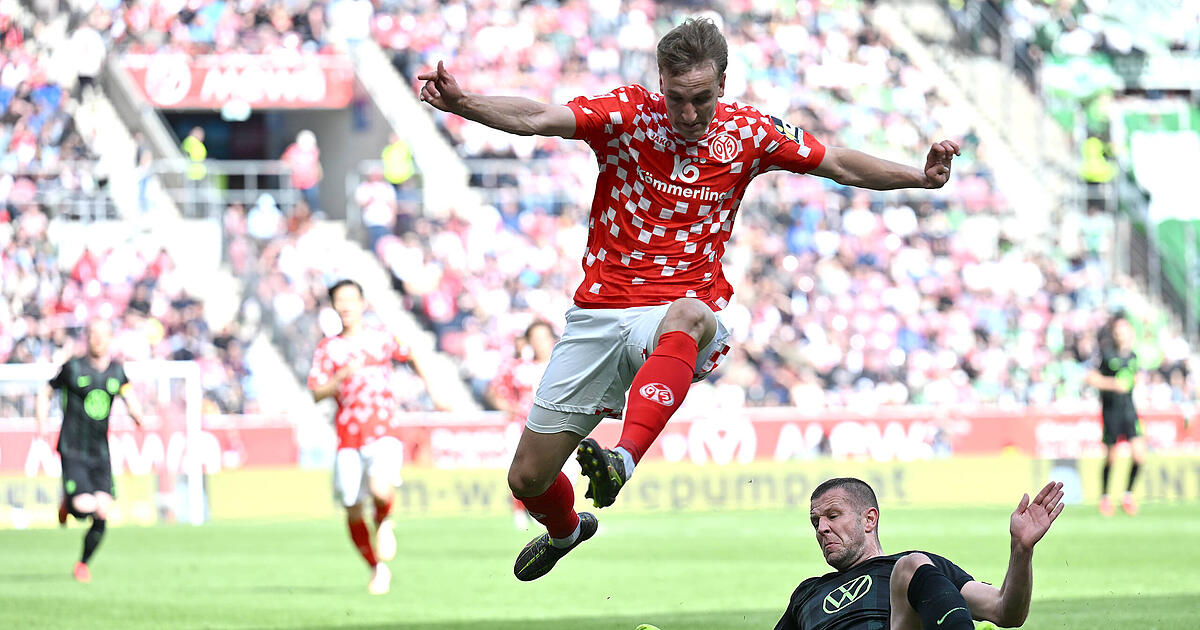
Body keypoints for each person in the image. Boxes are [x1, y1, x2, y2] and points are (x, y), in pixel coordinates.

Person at [418, 17, 961, 582]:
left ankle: (622, 459)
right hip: (599, 312)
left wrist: (919, 178)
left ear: (722, 84)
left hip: (676, 315)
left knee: (691, 312)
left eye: (701, 98)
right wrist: (464, 104)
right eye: (676, 97)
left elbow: (839, 163)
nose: (688, 113)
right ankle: (567, 530)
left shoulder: (750, 133)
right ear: (660, 82)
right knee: (527, 479)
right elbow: (539, 117)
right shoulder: (628, 115)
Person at [775, 477, 1064, 629]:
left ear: (869, 519)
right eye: (815, 522)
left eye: (833, 516)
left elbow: (1005, 611)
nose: (822, 528)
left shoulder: (920, 572)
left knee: (909, 566)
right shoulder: (806, 593)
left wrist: (1021, 549)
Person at [307, 278, 419, 595]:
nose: (345, 305)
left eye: (350, 299)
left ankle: (384, 520)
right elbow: (316, 392)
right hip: (348, 435)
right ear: (333, 306)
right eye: (339, 300)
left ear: (362, 303)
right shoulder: (328, 349)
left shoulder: (381, 338)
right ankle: (376, 567)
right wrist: (340, 377)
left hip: (383, 428)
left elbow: (412, 354)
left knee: (380, 490)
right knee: (352, 506)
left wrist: (435, 390)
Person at [35, 320, 145, 583]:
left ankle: (82, 564)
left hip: (100, 452)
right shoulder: (73, 368)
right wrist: (41, 421)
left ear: (110, 338)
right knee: (85, 505)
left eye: (102, 335)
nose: (98, 339)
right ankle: (70, 503)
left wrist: (137, 414)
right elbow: (46, 391)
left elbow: (129, 395)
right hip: (73, 448)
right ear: (87, 338)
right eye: (93, 335)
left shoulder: (117, 371)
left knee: (103, 511)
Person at [484, 321, 558, 530]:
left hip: (553, 426)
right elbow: (493, 391)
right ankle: (521, 512)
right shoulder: (517, 367)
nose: (540, 343)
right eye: (535, 338)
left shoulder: (561, 366)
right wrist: (509, 407)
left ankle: (551, 512)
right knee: (521, 470)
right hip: (521, 426)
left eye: (543, 338)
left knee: (557, 471)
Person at [1085, 312, 1144, 516]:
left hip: (1129, 410)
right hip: (1111, 411)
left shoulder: (1133, 356)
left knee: (1139, 455)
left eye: (1124, 331)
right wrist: (1113, 384)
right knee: (1112, 457)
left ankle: (1127, 495)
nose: (1122, 335)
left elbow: (1134, 379)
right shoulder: (1106, 354)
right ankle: (1105, 497)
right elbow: (1091, 378)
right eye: (1118, 331)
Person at [282, 130, 322, 213]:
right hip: (296, 183)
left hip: (310, 182)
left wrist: (318, 175)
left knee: (312, 200)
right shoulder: (293, 150)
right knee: (296, 202)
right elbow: (285, 162)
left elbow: (316, 164)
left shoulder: (313, 151)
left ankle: (314, 214)